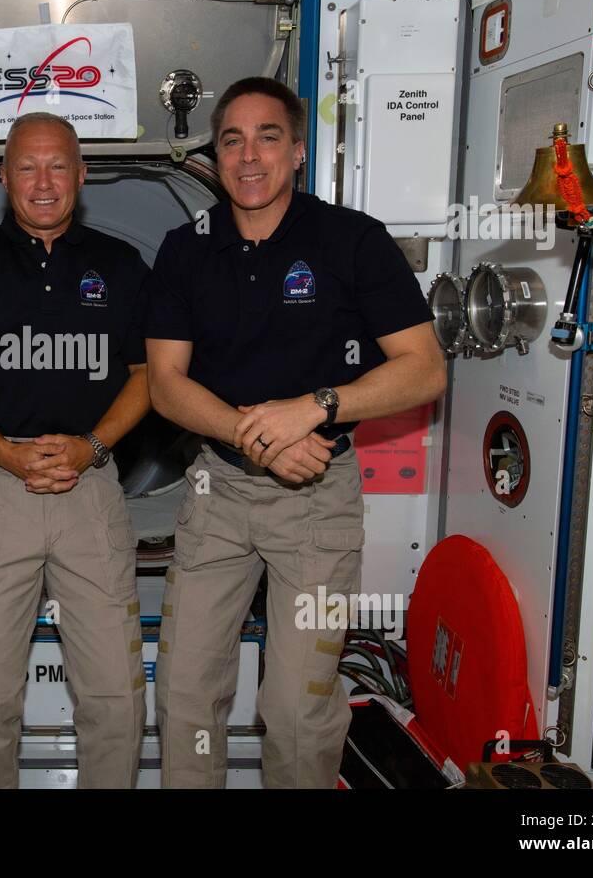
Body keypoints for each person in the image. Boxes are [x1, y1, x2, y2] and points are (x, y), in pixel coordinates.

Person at [145, 76, 446, 788]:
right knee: (184, 693)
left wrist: (314, 408)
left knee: (297, 710)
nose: (250, 156)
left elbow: (424, 371)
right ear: (216, 157)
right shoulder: (184, 250)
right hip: (217, 493)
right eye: (232, 140)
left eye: (268, 137)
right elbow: (165, 384)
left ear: (300, 151)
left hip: (318, 499)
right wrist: (261, 435)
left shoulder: (352, 241)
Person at [0, 112, 151, 788]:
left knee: (115, 692)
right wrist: (2, 451)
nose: (44, 181)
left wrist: (91, 447)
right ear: (4, 178)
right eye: (28, 166)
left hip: (92, 483)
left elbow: (148, 378)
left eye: (59, 165)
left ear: (82, 176)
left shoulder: (120, 265)